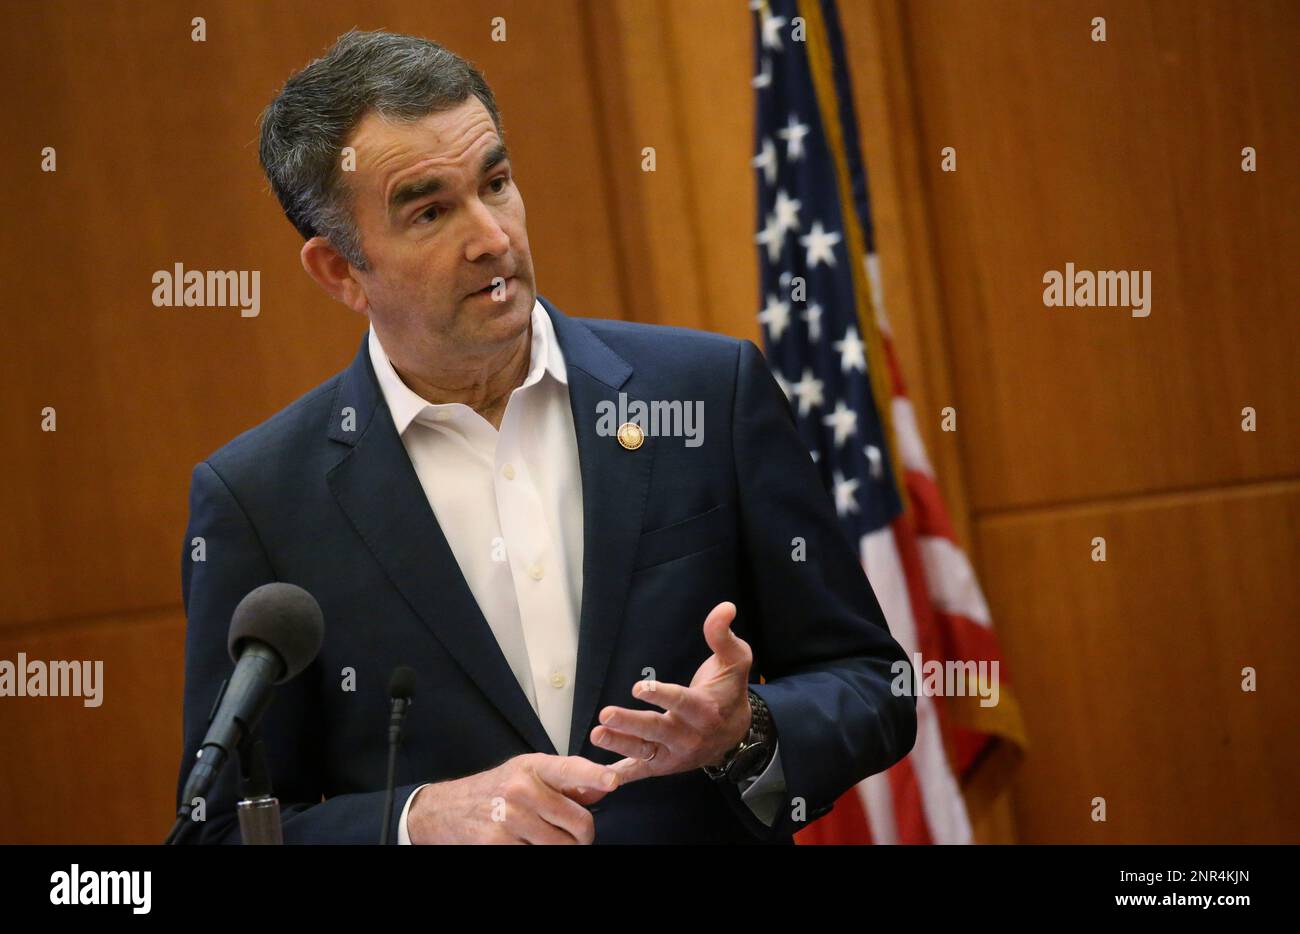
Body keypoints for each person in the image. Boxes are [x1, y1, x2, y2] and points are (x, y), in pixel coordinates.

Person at [176, 29, 915, 844]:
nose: (491, 235)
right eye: (429, 211)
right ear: (339, 272)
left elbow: (875, 684)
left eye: (495, 183)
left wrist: (746, 732)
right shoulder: (261, 500)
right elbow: (221, 830)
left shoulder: (708, 394)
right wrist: (419, 822)